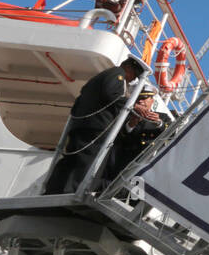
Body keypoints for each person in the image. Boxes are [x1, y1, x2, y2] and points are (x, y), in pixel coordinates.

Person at [43, 55, 145, 194]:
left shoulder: (101, 77)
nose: (133, 79)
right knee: (86, 161)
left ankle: (53, 190)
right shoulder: (117, 73)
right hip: (96, 126)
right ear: (127, 67)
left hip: (83, 124)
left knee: (70, 160)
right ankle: (71, 191)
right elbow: (111, 94)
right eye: (134, 75)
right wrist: (132, 106)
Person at [112, 86, 168, 173]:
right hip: (123, 164)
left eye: (144, 98)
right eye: (138, 98)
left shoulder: (163, 117)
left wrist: (159, 123)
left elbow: (171, 135)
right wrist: (131, 123)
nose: (140, 101)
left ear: (152, 101)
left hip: (147, 166)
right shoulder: (126, 114)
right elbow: (119, 136)